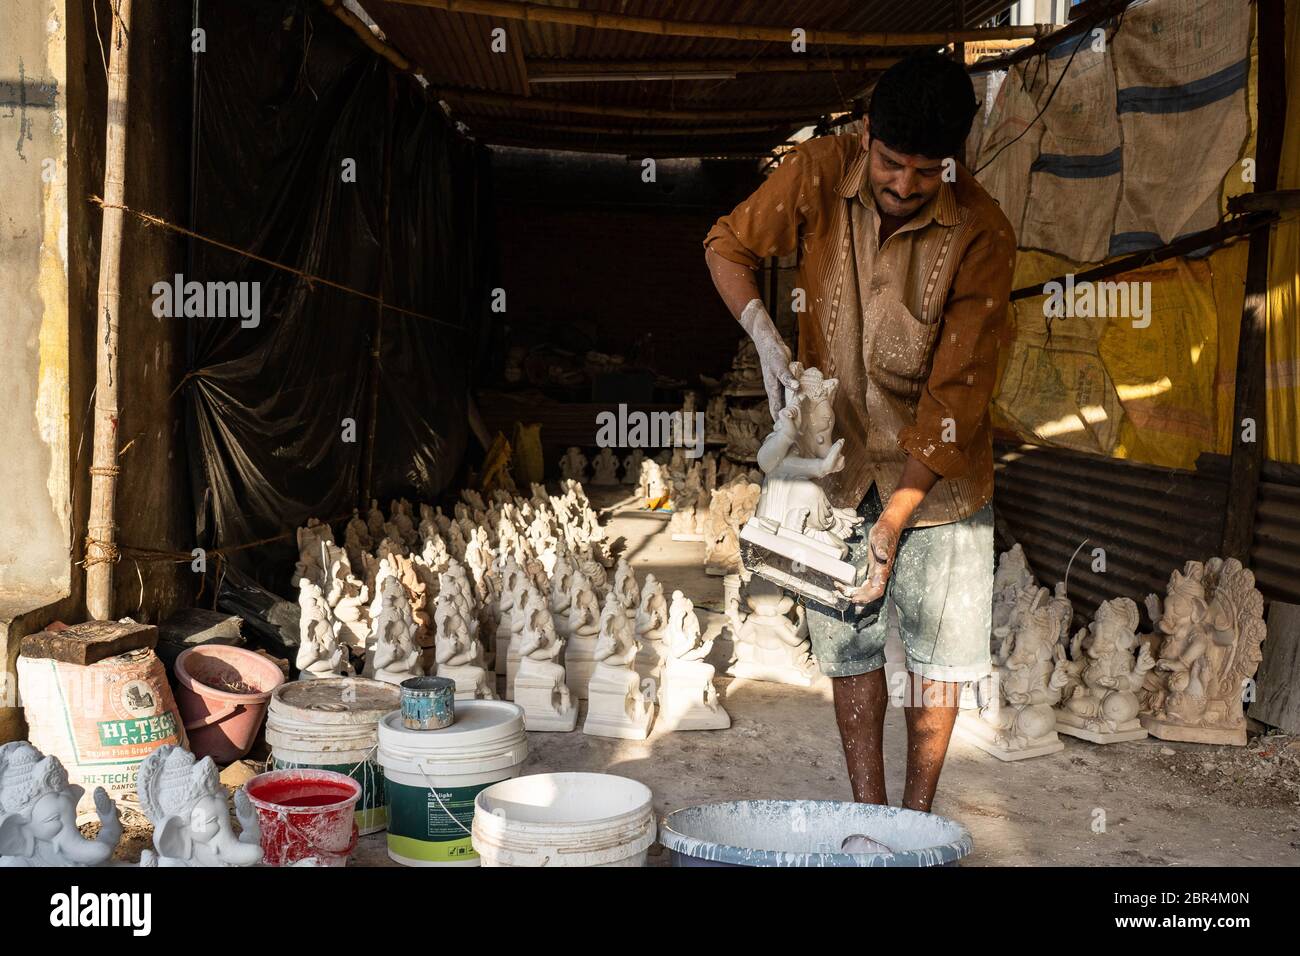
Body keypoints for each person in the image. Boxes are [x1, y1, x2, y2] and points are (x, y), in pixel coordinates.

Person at [704, 51, 1015, 813]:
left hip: (940, 481)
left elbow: (955, 398)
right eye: (889, 163)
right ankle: (867, 814)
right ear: (867, 134)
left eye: (926, 171)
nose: (903, 186)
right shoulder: (818, 170)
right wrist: (764, 334)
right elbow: (727, 244)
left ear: (956, 159)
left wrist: (897, 519)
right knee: (848, 644)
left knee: (940, 659)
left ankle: (915, 822)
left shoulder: (982, 233)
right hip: (835, 465)